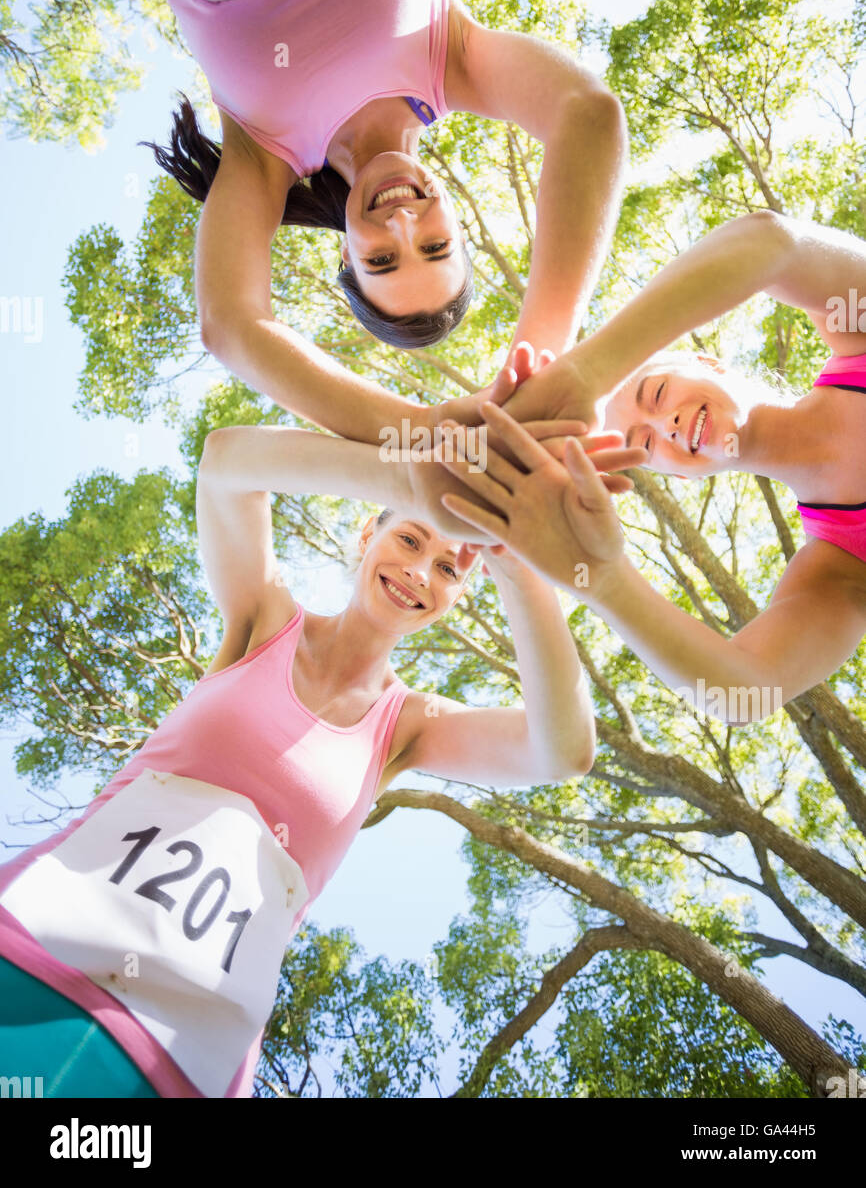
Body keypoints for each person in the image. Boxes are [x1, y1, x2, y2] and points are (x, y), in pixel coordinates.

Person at [0, 410, 641, 1097]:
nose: (421, 570)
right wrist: (409, 470)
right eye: (409, 536)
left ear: (459, 595)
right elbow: (224, 464)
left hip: (180, 1048)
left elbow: (564, 751)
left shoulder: (408, 727)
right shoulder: (265, 619)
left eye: (451, 567)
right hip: (39, 939)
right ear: (367, 533)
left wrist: (517, 558)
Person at [2, 0, 627, 438]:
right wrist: (541, 365)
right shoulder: (452, 62)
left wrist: (421, 435)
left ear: (349, 257)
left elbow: (232, 325)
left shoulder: (265, 154)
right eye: (437, 247)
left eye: (382, 260)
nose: (404, 225)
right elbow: (590, 115)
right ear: (462, 225)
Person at [442, 212, 866, 720]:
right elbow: (741, 694)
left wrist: (587, 372)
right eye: (644, 442)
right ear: (683, 478)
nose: (665, 425)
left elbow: (772, 242)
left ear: (709, 363)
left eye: (657, 393)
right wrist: (602, 577)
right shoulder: (840, 568)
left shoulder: (856, 329)